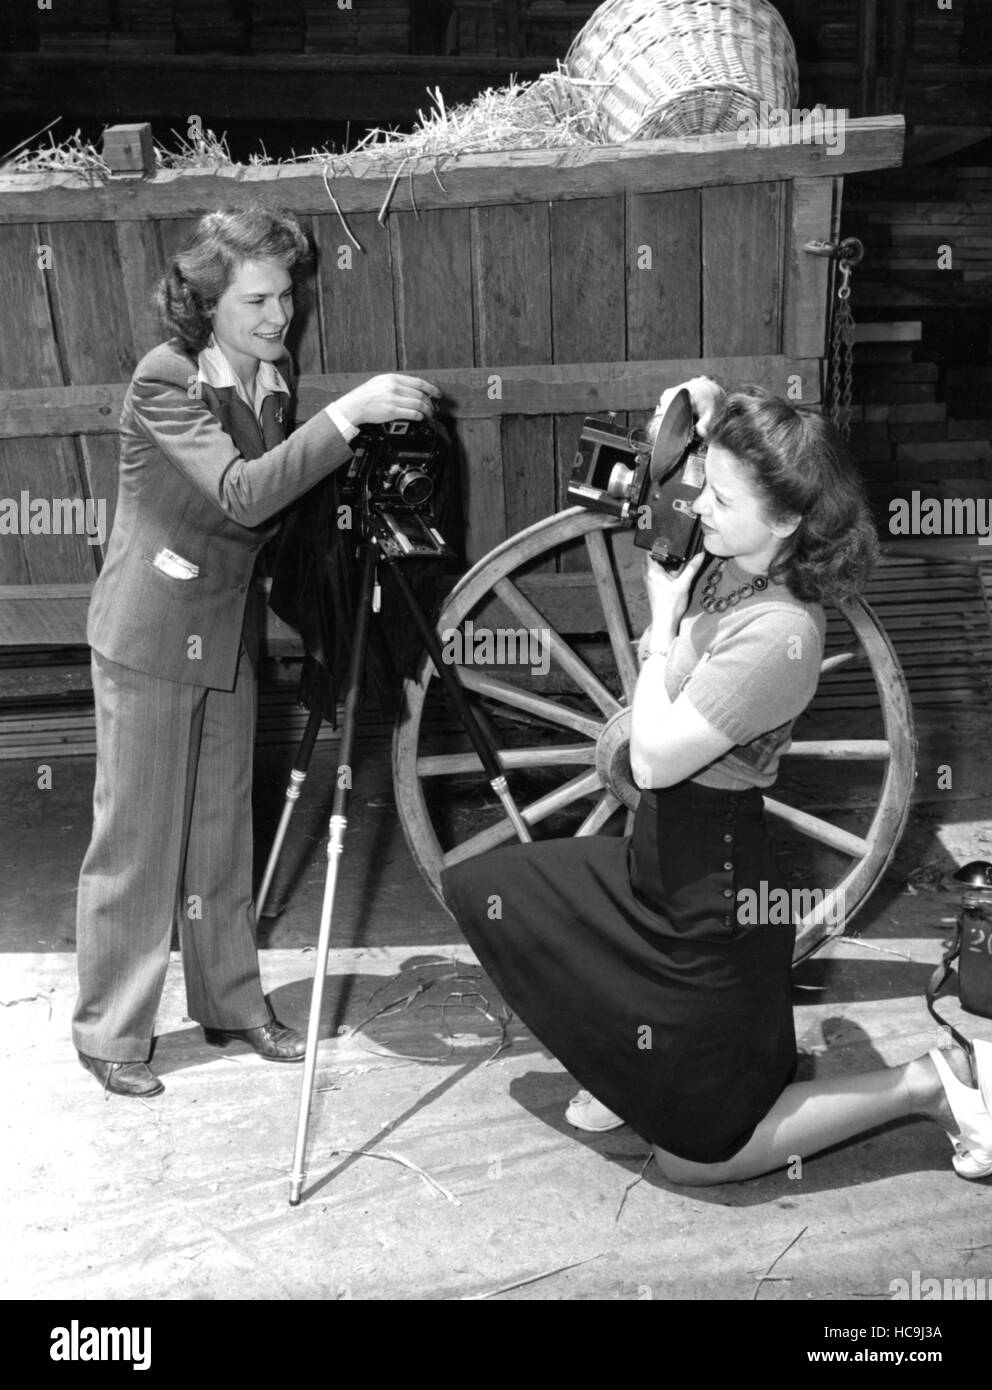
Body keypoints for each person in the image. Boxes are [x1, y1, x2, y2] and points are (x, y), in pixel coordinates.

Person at [441, 377, 992, 1185]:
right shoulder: (737, 557)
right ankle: (646, 1072)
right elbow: (705, 422)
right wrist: (702, 405)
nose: (700, 507)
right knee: (488, 887)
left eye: (722, 500)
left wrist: (662, 625)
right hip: (655, 862)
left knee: (698, 1160)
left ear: (789, 520)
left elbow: (651, 761)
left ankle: (928, 1086)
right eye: (706, 484)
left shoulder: (782, 633)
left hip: (715, 888)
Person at [73, 206, 441, 1097]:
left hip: (225, 633)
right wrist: (348, 417)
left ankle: (231, 1002)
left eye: (286, 296)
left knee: (221, 833)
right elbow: (241, 495)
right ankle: (110, 1031)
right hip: (152, 633)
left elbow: (286, 501)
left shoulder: (274, 379)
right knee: (138, 839)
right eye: (257, 300)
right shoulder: (165, 380)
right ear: (205, 303)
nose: (278, 316)